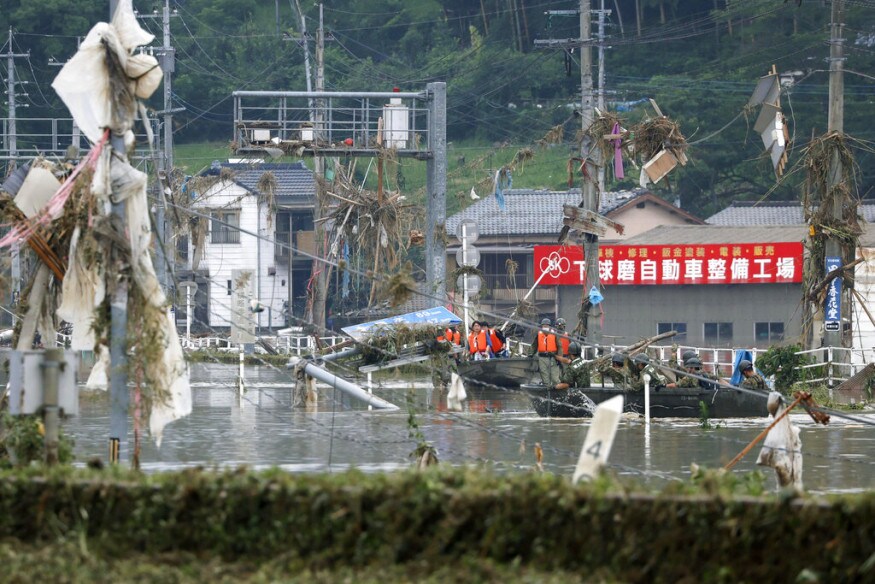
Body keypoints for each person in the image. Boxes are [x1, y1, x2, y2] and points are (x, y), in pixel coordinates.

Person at [528, 318, 561, 387]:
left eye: (546, 326)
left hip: (552, 358)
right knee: (545, 378)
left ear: (549, 326)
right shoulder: (539, 334)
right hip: (542, 358)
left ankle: (558, 392)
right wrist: (530, 353)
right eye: (543, 326)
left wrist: (559, 358)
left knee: (555, 379)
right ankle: (547, 392)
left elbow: (559, 347)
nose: (545, 327)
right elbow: (534, 345)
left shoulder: (554, 334)